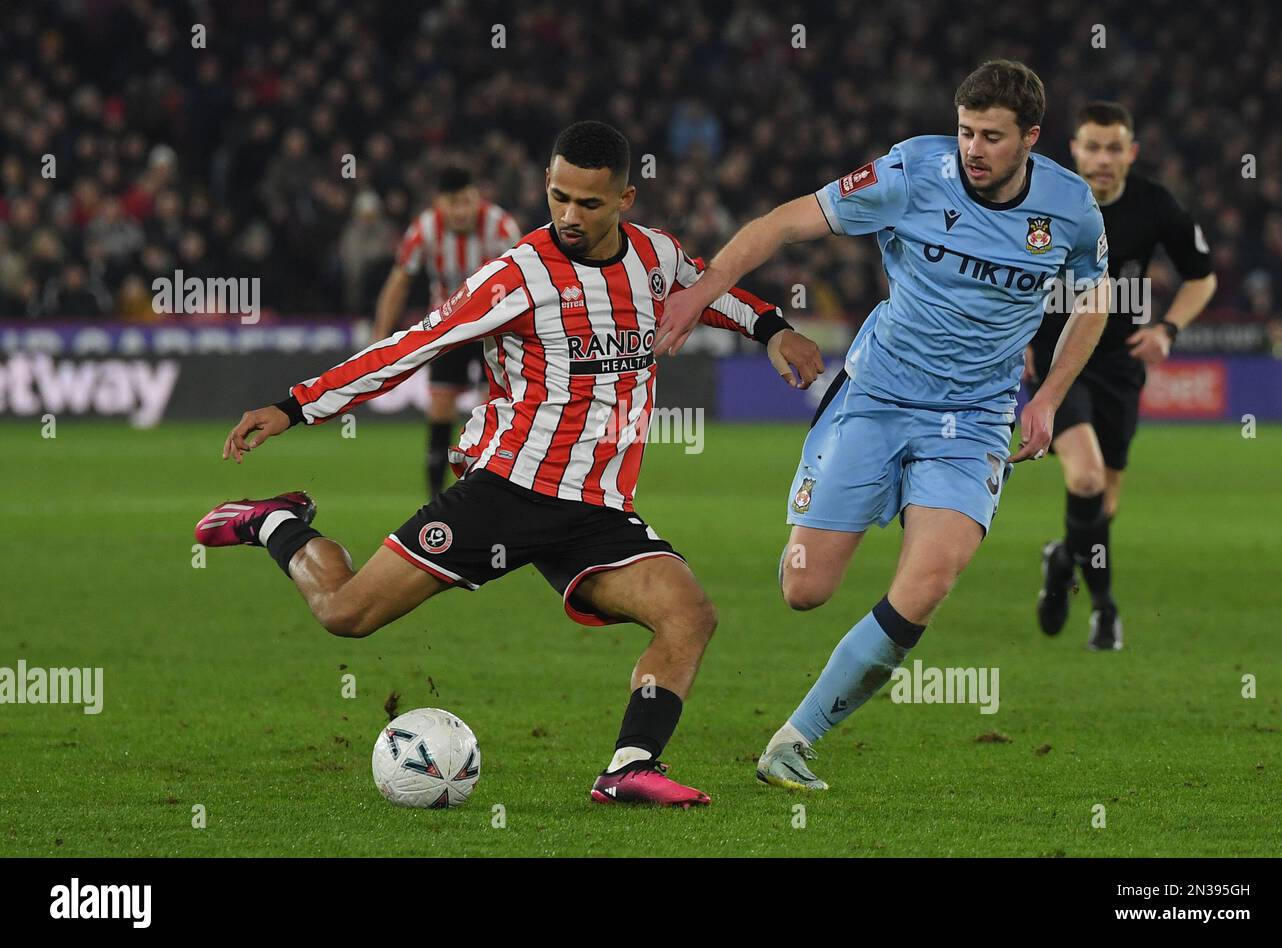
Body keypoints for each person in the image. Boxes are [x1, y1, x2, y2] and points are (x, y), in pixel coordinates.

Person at [194, 121, 824, 807]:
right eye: (558, 198)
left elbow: (712, 290)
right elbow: (414, 345)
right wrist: (295, 405)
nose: (568, 216)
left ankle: (628, 769)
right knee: (347, 614)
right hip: (506, 492)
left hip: (597, 510)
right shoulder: (517, 277)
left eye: (588, 203)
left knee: (690, 614)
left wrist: (775, 329)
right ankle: (278, 523)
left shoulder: (656, 258)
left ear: (626, 199)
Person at [655, 61, 1111, 791]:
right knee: (805, 591)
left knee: (928, 582)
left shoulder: (1071, 207)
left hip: (975, 417)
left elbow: (1095, 300)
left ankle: (794, 740)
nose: (973, 149)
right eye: (966, 131)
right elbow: (781, 224)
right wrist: (701, 293)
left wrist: (1050, 396)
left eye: (992, 137)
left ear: (1031, 137)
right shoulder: (909, 172)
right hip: (878, 396)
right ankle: (820, 514)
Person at [1026, 102, 1216, 650]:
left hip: (1120, 368)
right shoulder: (1042, 197)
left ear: (1131, 152)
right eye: (1092, 146)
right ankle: (1105, 611)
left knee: (1102, 506)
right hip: (1058, 362)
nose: (1102, 159)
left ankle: (1063, 558)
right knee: (1084, 479)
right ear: (1074, 150)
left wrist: (1168, 331)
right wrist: (1013, 342)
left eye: (1114, 148)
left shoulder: (1155, 205)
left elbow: (1201, 277)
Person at [372, 163, 521, 498]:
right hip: (449, 329)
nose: (461, 211)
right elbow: (399, 281)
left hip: (493, 332)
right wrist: (381, 334)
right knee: (440, 414)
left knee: (493, 415)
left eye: (467, 202)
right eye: (454, 203)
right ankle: (435, 502)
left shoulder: (501, 227)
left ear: (477, 200)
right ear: (440, 203)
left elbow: (525, 283)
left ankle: (487, 497)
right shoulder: (424, 229)